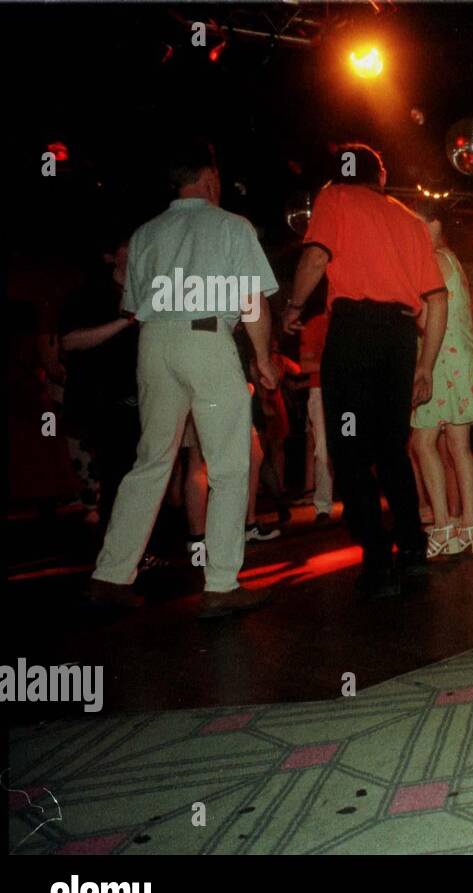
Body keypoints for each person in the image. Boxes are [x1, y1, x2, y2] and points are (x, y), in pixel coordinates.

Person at [86, 138, 280, 618]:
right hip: (206, 338)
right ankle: (220, 584)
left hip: (154, 342)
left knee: (151, 459)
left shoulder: (146, 232)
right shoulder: (233, 227)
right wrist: (262, 358)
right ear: (210, 178)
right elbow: (254, 301)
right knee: (230, 464)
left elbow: (131, 304)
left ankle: (110, 575)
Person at [283, 143, 448, 599]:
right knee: (393, 449)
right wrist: (426, 365)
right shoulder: (410, 219)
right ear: (381, 174)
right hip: (398, 338)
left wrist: (294, 306)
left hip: (354, 332)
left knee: (351, 449)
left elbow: (315, 258)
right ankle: (413, 552)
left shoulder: (334, 198)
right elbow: (438, 299)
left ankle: (379, 564)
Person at [409, 214, 473, 558]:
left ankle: (442, 526)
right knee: (459, 446)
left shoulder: (430, 262)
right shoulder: (452, 259)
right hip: (463, 359)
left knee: (422, 442)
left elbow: (426, 318)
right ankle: (470, 524)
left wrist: (404, 308)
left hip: (440, 361)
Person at [58, 235, 139, 525]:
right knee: (117, 473)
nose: (138, 250)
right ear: (111, 255)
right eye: (129, 245)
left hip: (137, 398)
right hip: (104, 400)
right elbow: (70, 341)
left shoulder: (143, 292)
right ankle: (116, 552)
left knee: (133, 474)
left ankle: (129, 551)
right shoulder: (89, 294)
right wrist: (126, 321)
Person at [296, 311, 334, 523]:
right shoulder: (317, 323)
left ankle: (353, 500)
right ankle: (323, 506)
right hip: (321, 393)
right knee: (323, 448)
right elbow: (304, 364)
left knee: (350, 441)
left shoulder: (354, 320)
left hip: (349, 396)